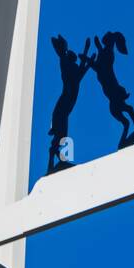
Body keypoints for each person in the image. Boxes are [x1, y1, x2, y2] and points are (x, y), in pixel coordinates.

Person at [48, 36, 94, 173]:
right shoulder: (66, 68)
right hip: (63, 106)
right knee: (61, 135)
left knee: (62, 136)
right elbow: (81, 69)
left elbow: (81, 71)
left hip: (66, 107)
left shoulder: (74, 71)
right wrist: (86, 57)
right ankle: (56, 160)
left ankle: (58, 159)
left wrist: (87, 56)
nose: (73, 58)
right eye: (71, 56)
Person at [92, 31, 134, 147]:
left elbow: (100, 68)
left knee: (127, 113)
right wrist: (96, 50)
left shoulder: (107, 52)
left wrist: (89, 60)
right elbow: (99, 66)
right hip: (111, 88)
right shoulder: (106, 52)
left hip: (111, 87)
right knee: (127, 114)